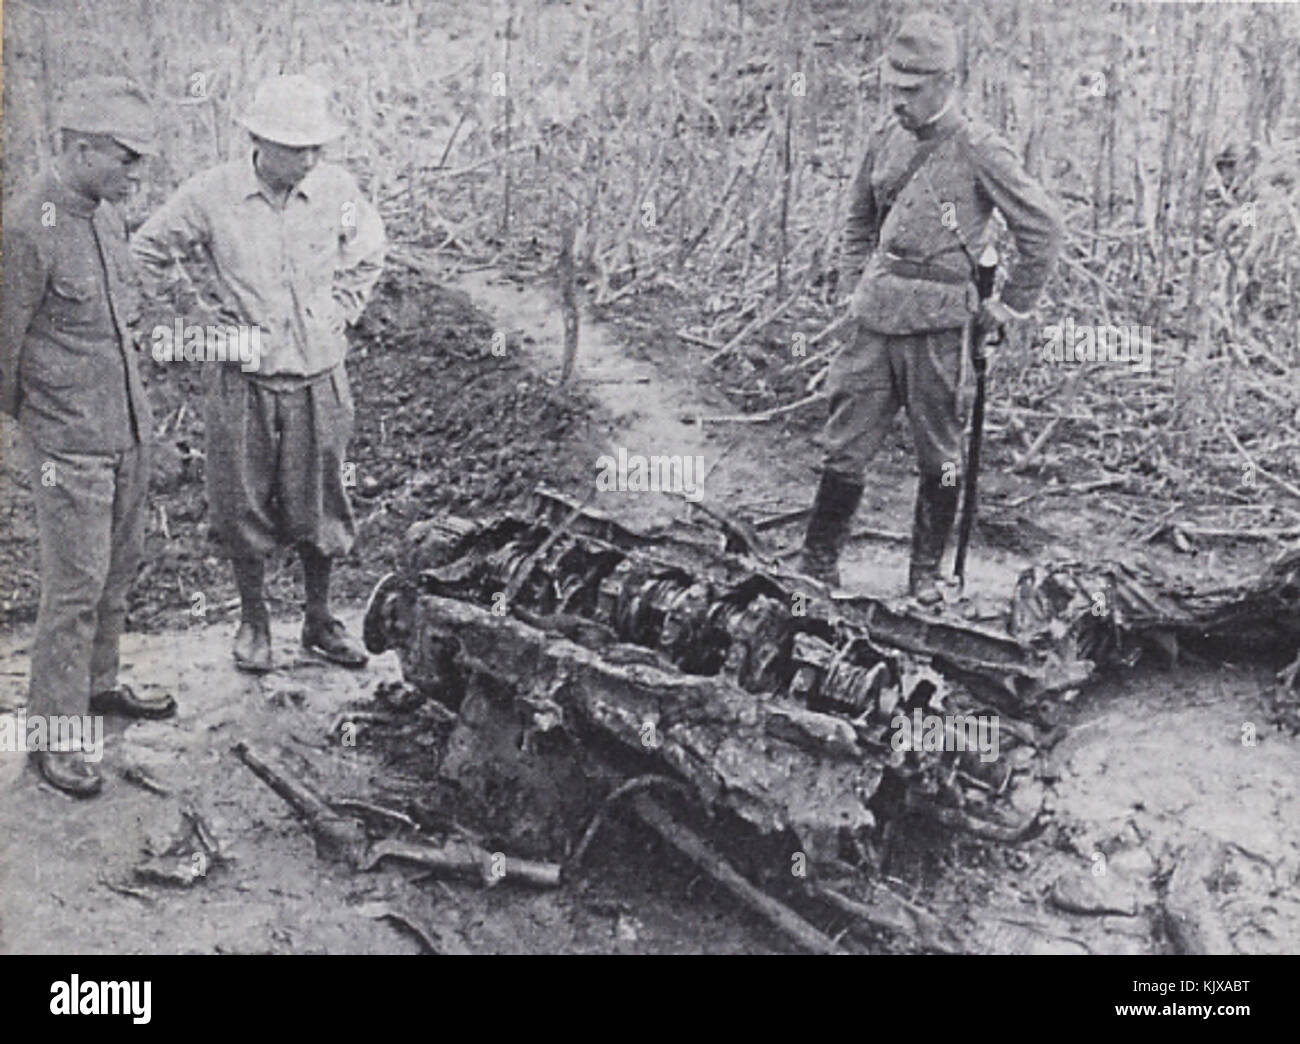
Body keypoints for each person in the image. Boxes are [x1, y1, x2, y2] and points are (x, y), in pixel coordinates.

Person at [799, 11, 1063, 605]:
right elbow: (858, 220)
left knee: (939, 454)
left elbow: (1042, 230)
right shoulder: (883, 139)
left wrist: (1011, 308)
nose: (898, 99)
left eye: (912, 89)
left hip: (939, 328)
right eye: (892, 86)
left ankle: (924, 576)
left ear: (947, 82)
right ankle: (815, 567)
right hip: (873, 321)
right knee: (844, 445)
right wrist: (852, 287)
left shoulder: (978, 150)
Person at [132, 75, 386, 673]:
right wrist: (196, 311)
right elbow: (147, 248)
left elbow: (370, 249)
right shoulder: (212, 195)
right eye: (297, 148)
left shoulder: (336, 190)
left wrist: (341, 309)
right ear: (260, 141)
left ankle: (319, 621)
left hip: (318, 373)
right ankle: (254, 622)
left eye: (316, 147)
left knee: (321, 501)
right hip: (241, 377)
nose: (310, 159)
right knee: (240, 501)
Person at [1, 77, 177, 798]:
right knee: (73, 590)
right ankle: (52, 736)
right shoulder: (24, 230)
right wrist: (44, 427)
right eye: (125, 158)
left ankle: (98, 688)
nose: (138, 174)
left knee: (116, 575)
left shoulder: (104, 214)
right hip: (69, 442)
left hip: (124, 428)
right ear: (77, 148)